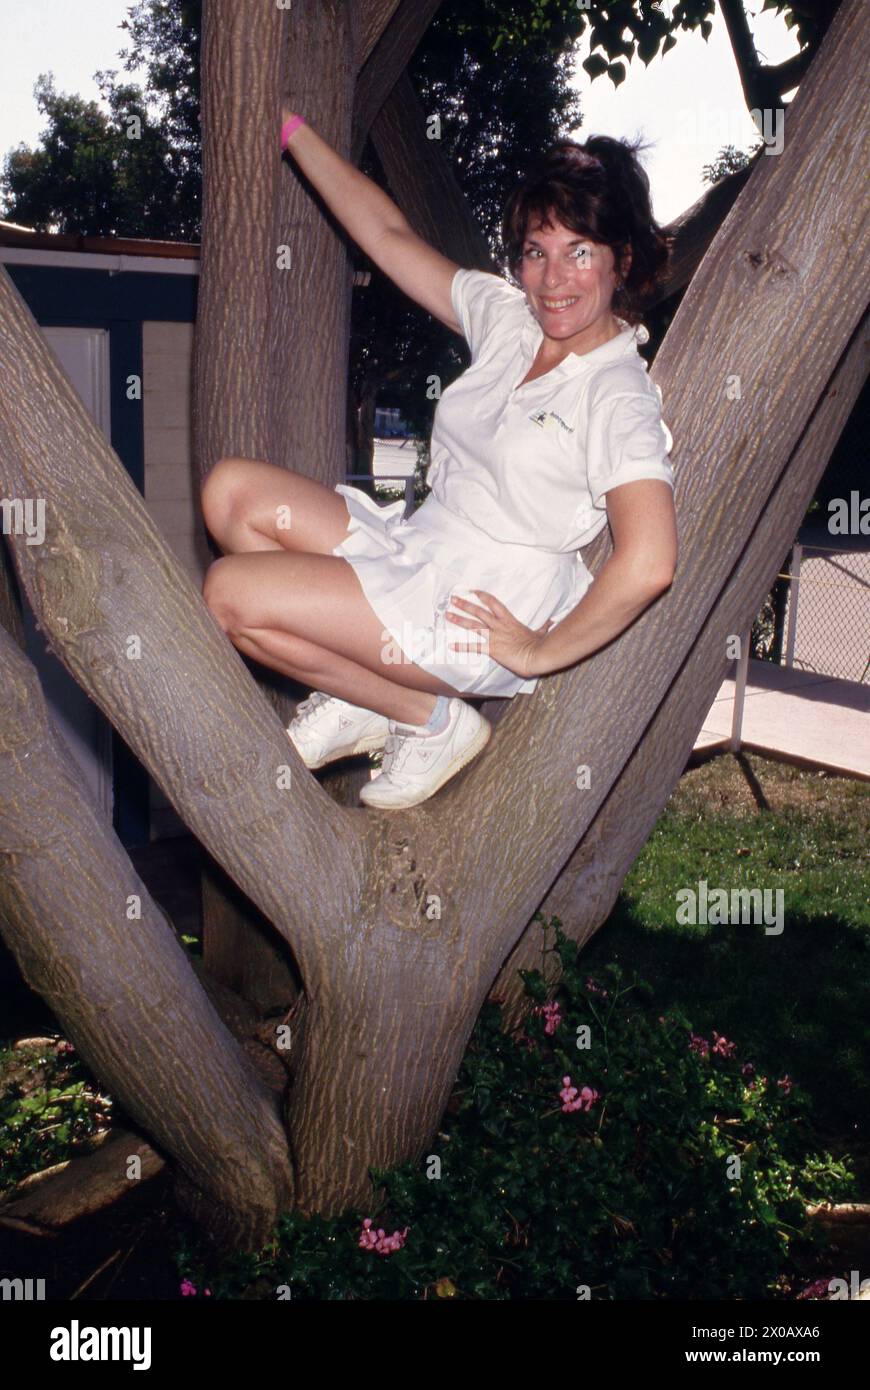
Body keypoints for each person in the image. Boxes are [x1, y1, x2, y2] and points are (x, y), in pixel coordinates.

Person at [200, 110, 678, 810]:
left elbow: (650, 561)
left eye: (579, 252)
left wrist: (537, 653)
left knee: (229, 595)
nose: (553, 279)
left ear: (622, 260)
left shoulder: (617, 392)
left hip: (473, 607)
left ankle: (430, 719)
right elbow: (387, 235)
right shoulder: (511, 320)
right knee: (230, 494)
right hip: (419, 548)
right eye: (536, 250)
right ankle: (379, 699)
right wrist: (289, 130)